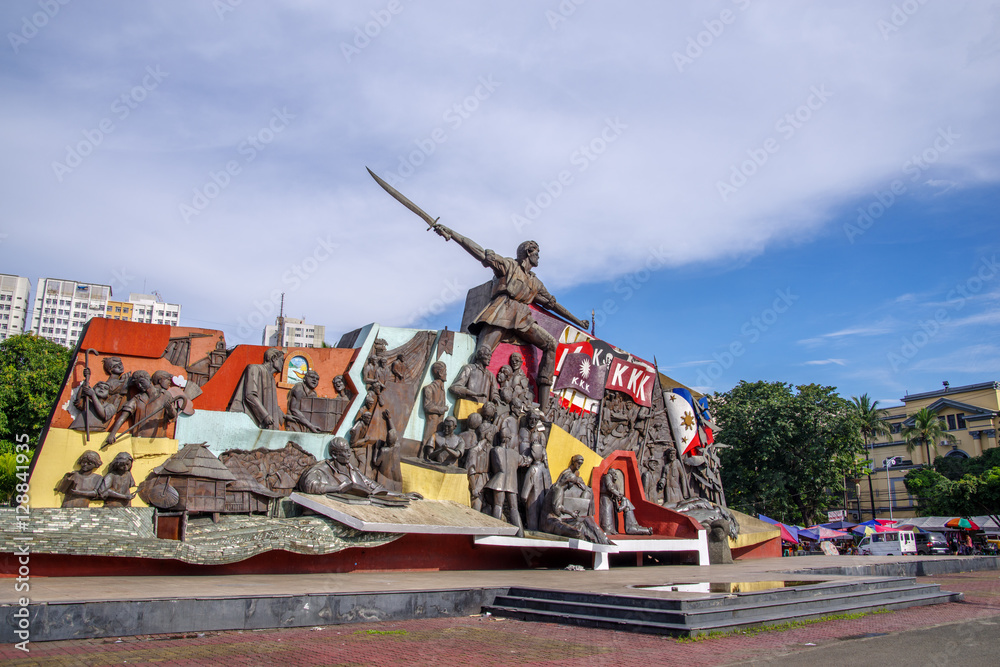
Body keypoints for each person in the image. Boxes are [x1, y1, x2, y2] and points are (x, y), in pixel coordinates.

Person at [430, 223, 589, 413]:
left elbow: (552, 304)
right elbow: (481, 253)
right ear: (528, 253)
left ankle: (544, 408)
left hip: (523, 319)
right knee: (482, 353)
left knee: (550, 344)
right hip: (501, 312)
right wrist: (451, 233)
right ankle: (468, 399)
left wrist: (578, 321)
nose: (539, 257)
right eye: (537, 253)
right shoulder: (509, 265)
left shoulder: (535, 282)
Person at [540, 455, 610, 545]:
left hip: (556, 520)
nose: (572, 486)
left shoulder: (558, 488)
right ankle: (595, 542)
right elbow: (557, 510)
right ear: (568, 482)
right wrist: (571, 513)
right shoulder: (558, 489)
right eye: (572, 484)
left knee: (584, 521)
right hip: (550, 523)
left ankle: (602, 539)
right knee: (577, 531)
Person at [104, 370, 179, 444]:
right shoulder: (137, 399)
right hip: (139, 440)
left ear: (148, 380)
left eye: (141, 382)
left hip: (158, 440)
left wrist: (170, 409)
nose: (140, 386)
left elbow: (173, 416)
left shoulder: (165, 395)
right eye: (137, 384)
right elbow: (123, 417)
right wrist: (112, 434)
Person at [228, 347, 285, 429]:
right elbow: (250, 395)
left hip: (267, 426)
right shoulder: (254, 368)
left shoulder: (271, 378)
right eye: (281, 360)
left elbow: (271, 402)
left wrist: (284, 416)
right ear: (273, 358)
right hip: (251, 422)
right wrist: (265, 415)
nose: (283, 364)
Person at [421, 361, 449, 445]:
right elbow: (427, 406)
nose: (446, 373)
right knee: (427, 442)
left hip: (440, 422)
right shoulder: (429, 388)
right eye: (445, 371)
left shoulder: (442, 390)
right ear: (440, 373)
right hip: (432, 422)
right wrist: (441, 409)